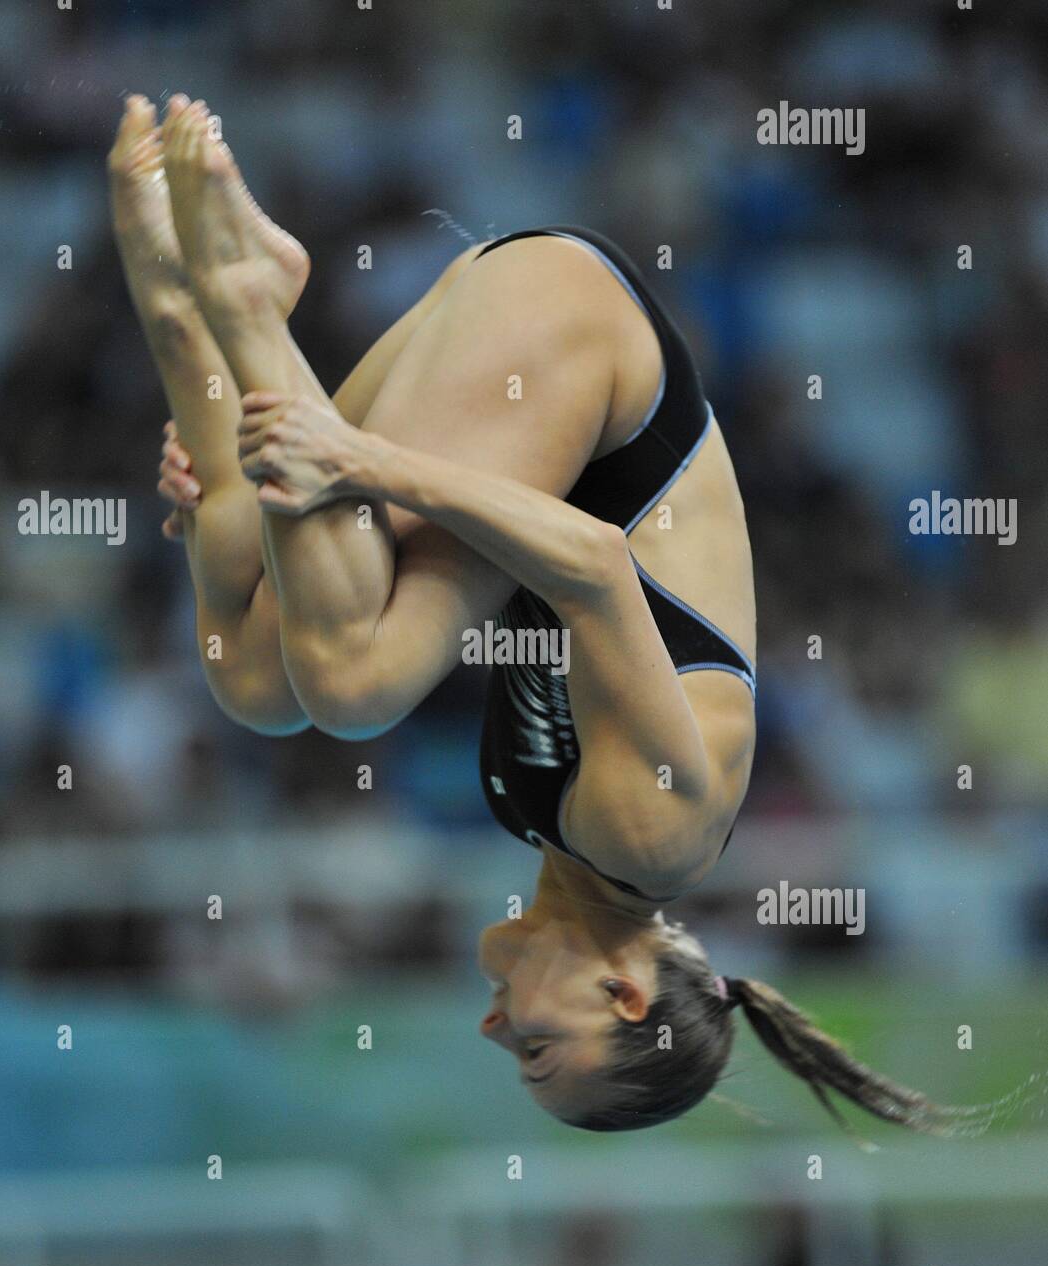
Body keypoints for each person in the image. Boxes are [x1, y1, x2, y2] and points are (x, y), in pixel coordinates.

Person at [110, 94, 980, 1136]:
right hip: (582, 347)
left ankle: (190, 324)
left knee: (259, 679)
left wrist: (253, 509)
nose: (491, 1027)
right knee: (352, 684)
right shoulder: (652, 836)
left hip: (537, 409)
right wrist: (364, 460)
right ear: (625, 996)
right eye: (535, 1044)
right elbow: (596, 564)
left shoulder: (542, 823)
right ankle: (246, 308)